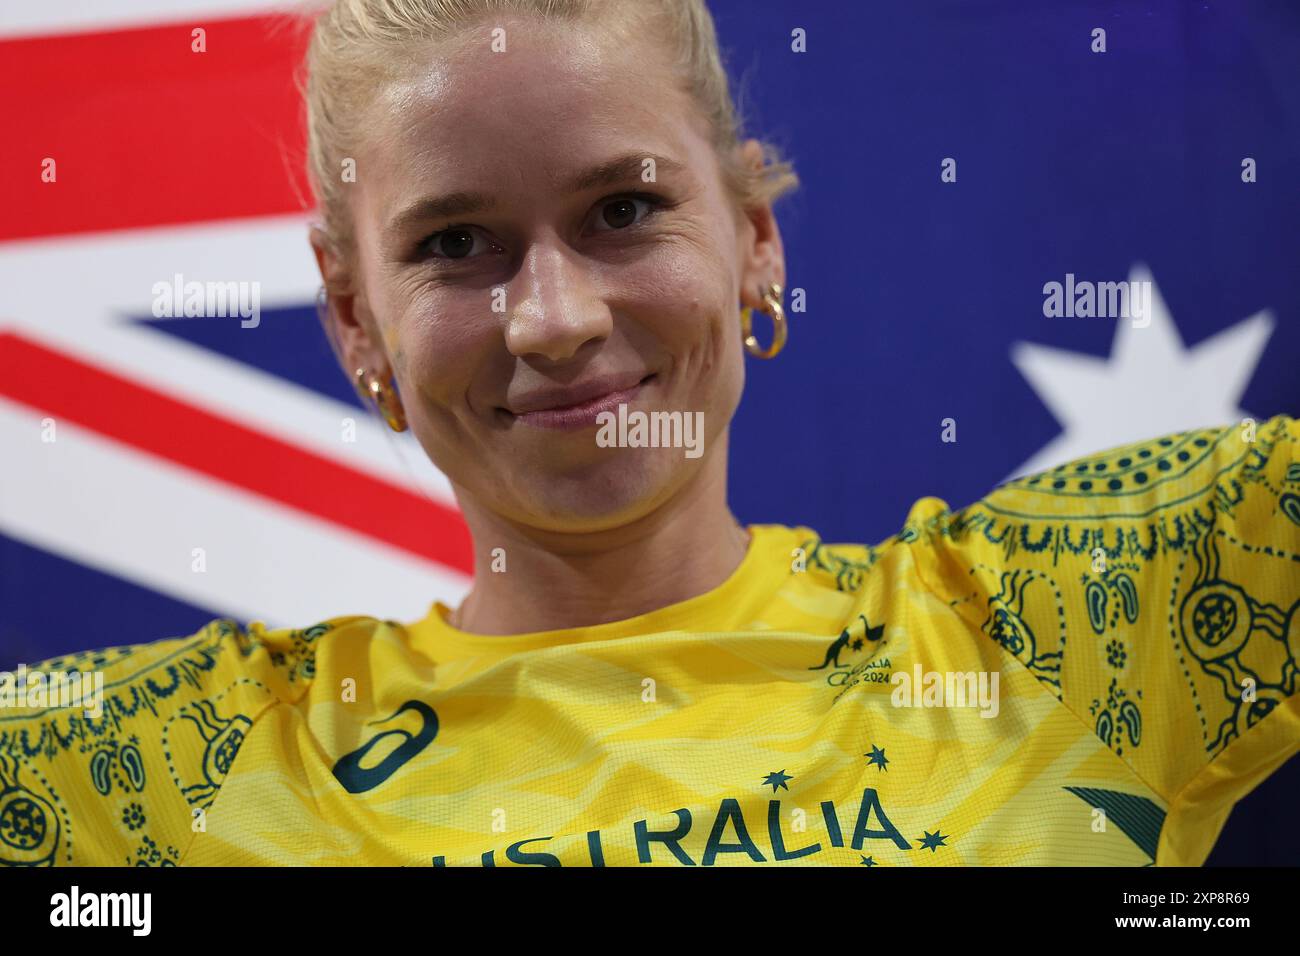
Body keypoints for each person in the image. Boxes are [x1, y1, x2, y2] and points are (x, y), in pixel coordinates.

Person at [1, 0, 1296, 867]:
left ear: (756, 238)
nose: (555, 321)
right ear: (355, 319)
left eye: (622, 210)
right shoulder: (165, 777)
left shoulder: (1092, 618)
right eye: (457, 247)